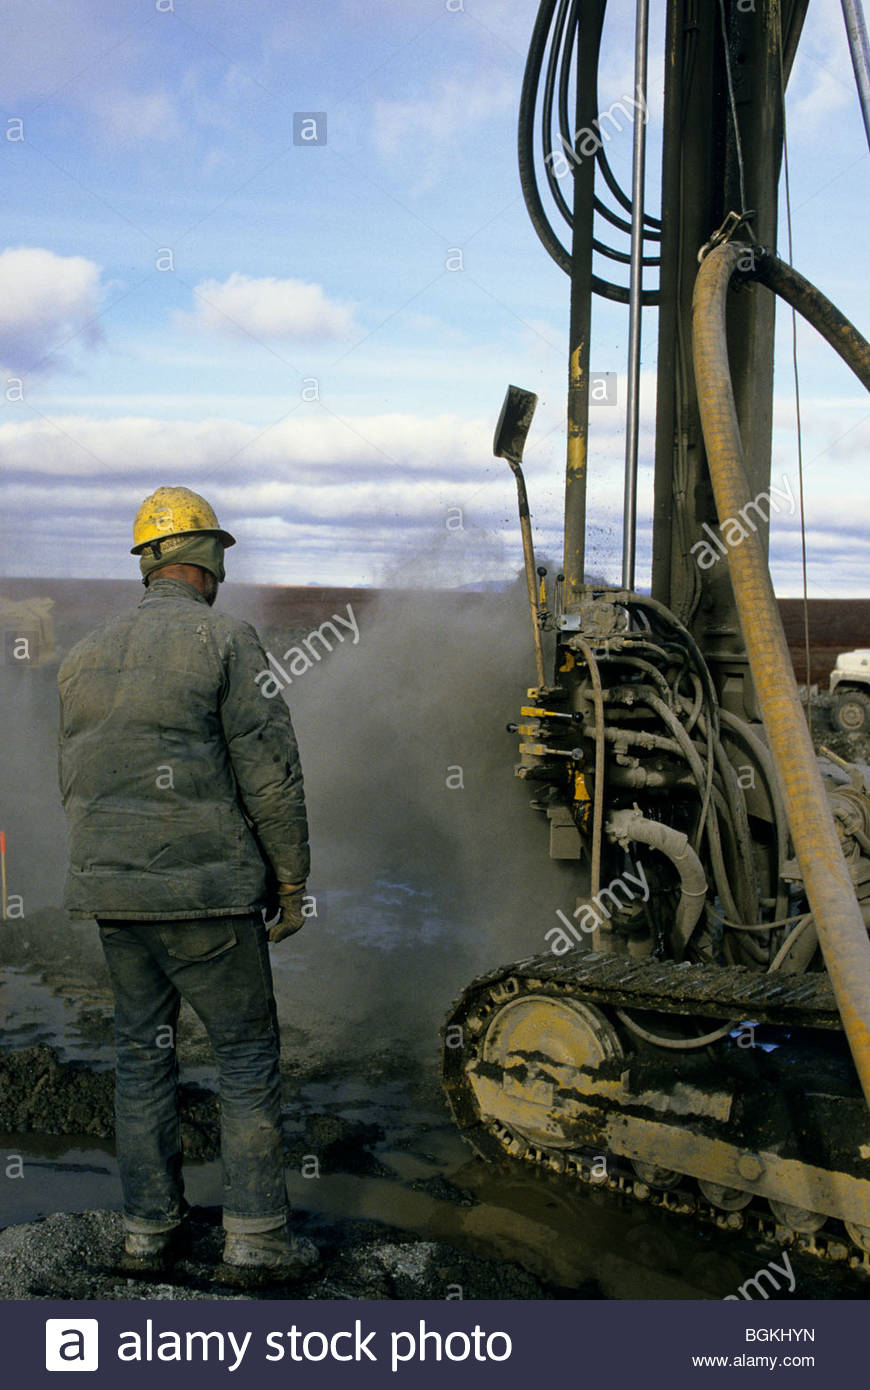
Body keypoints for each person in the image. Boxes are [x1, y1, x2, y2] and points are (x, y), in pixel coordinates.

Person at [57, 486, 314, 1283]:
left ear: (147, 563)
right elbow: (271, 777)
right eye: (221, 555)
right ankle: (256, 1242)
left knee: (141, 1060)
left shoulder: (82, 654)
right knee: (244, 1059)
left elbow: (76, 782)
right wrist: (293, 881)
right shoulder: (228, 641)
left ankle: (146, 1233)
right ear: (202, 558)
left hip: (115, 899)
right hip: (207, 901)